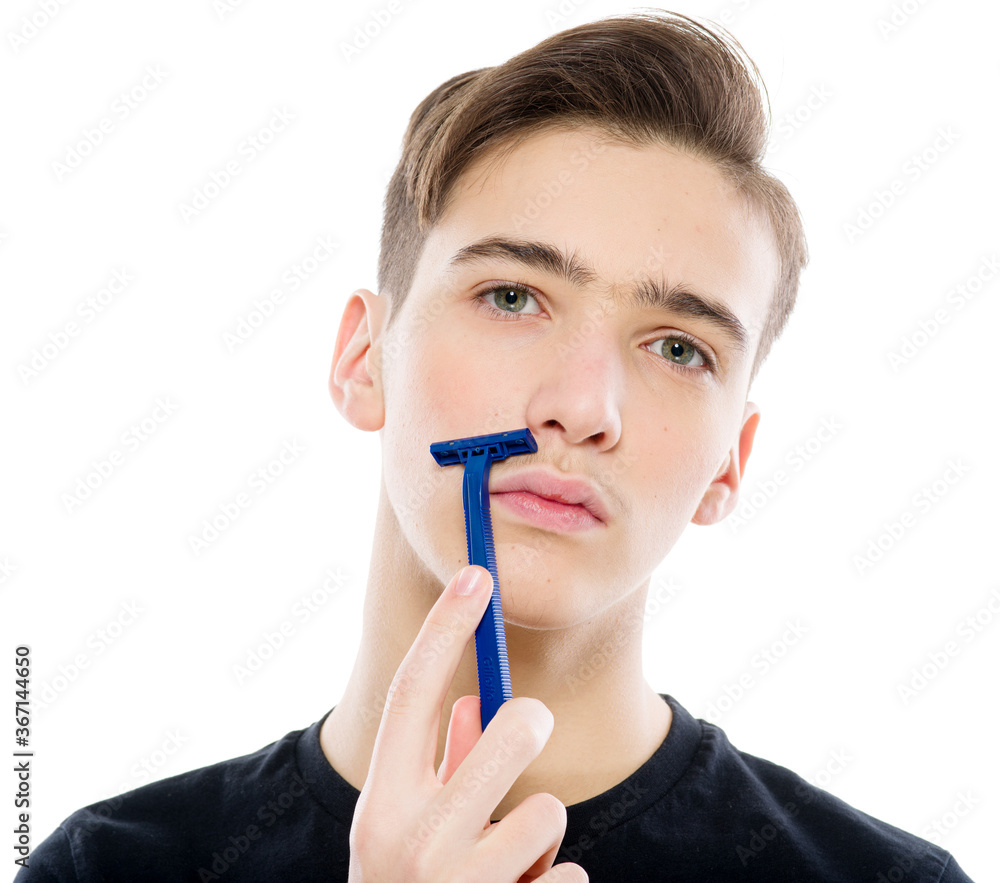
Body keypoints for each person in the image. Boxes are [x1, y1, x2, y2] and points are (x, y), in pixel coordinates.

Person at [18, 10, 974, 882]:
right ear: (363, 357)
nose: (583, 406)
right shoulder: (103, 871)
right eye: (513, 296)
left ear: (731, 459)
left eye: (679, 348)